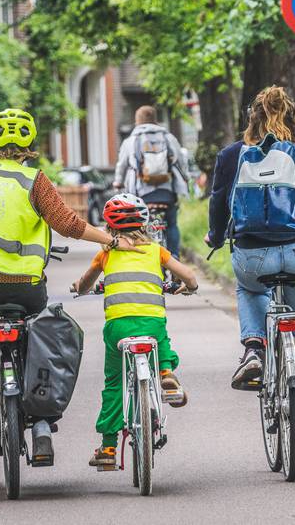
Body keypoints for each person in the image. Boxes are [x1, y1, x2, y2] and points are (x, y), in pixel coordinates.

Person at [0, 108, 142, 464]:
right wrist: (112, 241)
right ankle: (41, 422)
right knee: (41, 331)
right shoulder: (33, 180)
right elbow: (68, 224)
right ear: (29, 146)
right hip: (25, 288)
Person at [205, 86, 295, 452]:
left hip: (253, 256)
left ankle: (254, 349)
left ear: (252, 117)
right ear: (292, 115)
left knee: (249, 289)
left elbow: (219, 206)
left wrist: (215, 237)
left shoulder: (233, 156)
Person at [70, 194, 198, 469]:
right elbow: (189, 276)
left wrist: (79, 288)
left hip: (117, 328)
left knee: (114, 383)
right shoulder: (156, 251)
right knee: (159, 334)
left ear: (109, 227)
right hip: (150, 323)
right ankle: (166, 372)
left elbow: (84, 284)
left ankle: (107, 447)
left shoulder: (105, 253)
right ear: (145, 222)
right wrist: (191, 287)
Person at [113, 105, 188, 255]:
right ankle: (174, 257)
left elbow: (122, 165)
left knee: (140, 226)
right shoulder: (168, 138)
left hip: (141, 195)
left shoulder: (131, 141)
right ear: (155, 120)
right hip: (167, 193)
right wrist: (185, 179)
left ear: (137, 121)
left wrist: (118, 183)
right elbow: (181, 162)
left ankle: (147, 256)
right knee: (172, 224)